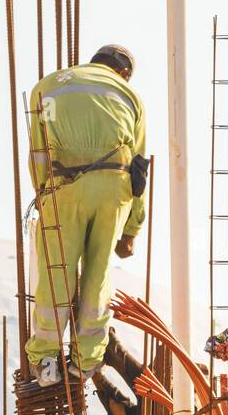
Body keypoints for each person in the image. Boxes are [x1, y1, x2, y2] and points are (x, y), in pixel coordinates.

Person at [24, 44, 148, 388]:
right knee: (99, 272)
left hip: (64, 187)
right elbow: (139, 168)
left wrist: (44, 194)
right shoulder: (129, 96)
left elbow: (38, 151)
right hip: (114, 189)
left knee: (56, 274)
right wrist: (132, 230)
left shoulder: (48, 86)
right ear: (123, 72)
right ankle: (86, 361)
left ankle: (46, 361)